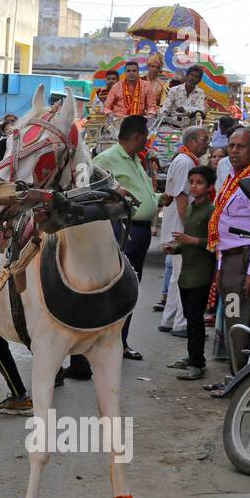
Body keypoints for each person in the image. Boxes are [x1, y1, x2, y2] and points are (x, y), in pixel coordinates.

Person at [91, 114, 158, 360]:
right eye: (146, 135)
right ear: (138, 135)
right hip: (122, 230)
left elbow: (142, 194)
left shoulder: (135, 160)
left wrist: (158, 200)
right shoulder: (107, 159)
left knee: (131, 289)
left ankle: (121, 341)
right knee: (116, 289)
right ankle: (103, 344)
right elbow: (94, 194)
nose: (147, 140)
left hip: (140, 231)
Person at [209, 126, 250, 375]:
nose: (234, 151)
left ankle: (239, 380)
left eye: (241, 146)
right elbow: (223, 226)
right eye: (232, 145)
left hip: (243, 262)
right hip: (228, 260)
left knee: (240, 323)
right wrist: (219, 267)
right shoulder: (233, 179)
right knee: (232, 319)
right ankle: (235, 376)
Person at [164, 165, 216, 381]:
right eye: (191, 182)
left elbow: (214, 243)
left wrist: (188, 241)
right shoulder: (192, 208)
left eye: (199, 182)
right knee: (189, 316)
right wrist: (175, 247)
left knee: (195, 318)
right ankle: (192, 356)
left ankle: (198, 363)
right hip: (187, 272)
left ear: (209, 187)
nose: (194, 186)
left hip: (201, 274)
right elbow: (188, 240)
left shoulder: (211, 211)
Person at [159, 125, 209, 336]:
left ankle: (169, 320)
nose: (207, 143)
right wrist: (188, 229)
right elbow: (181, 197)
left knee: (176, 277)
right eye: (203, 139)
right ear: (191, 142)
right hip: (180, 230)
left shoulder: (184, 160)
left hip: (176, 229)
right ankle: (181, 324)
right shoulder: (185, 162)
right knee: (184, 277)